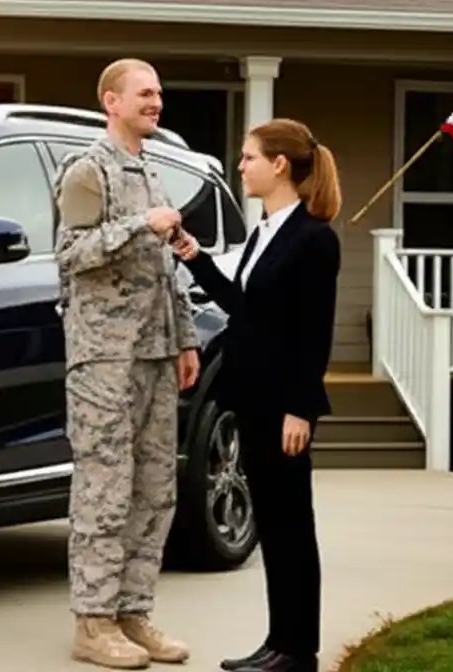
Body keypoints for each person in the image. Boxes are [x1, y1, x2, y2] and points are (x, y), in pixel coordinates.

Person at [170, 118, 342, 672]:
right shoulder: (266, 231)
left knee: (293, 528)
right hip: (251, 398)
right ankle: (278, 642)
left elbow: (313, 333)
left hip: (282, 406)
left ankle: (299, 651)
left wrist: (301, 407)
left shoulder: (314, 238)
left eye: (248, 157)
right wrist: (192, 255)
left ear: (280, 165)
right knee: (273, 526)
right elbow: (244, 306)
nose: (240, 166)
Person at [53, 57, 201, 670]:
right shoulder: (89, 171)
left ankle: (133, 614)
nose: (156, 102)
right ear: (110, 101)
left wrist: (186, 340)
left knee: (155, 489)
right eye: (144, 93)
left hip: (155, 353)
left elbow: (167, 270)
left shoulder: (154, 173)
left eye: (160, 93)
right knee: (105, 488)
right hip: (104, 358)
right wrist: (140, 225)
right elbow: (70, 254)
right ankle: (93, 622)